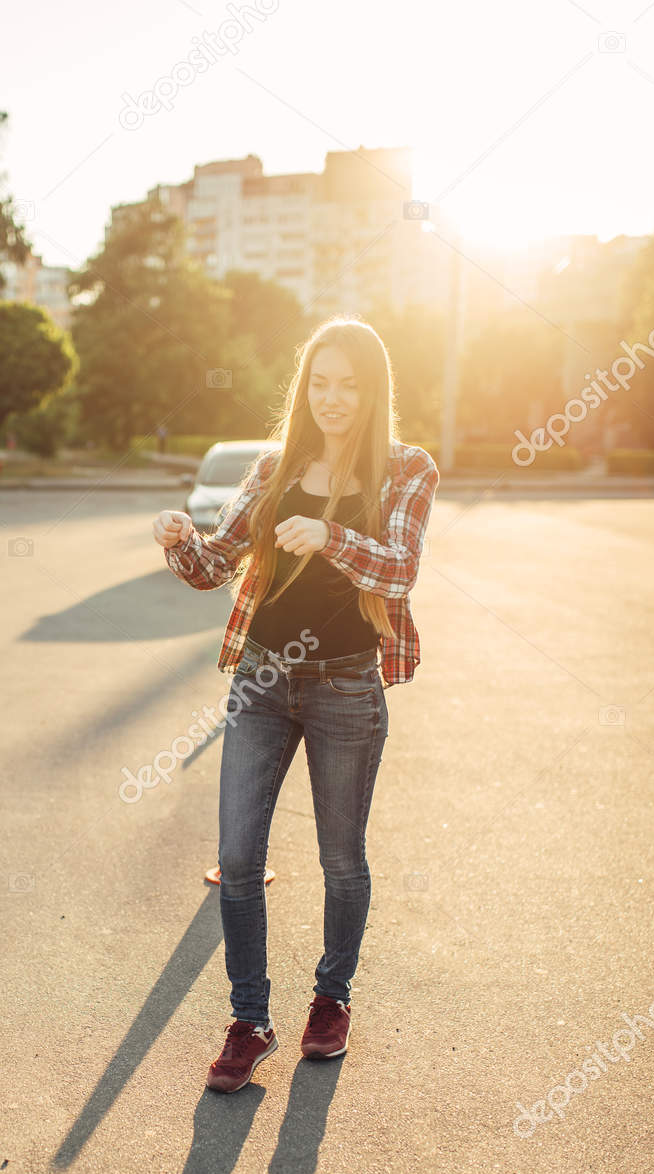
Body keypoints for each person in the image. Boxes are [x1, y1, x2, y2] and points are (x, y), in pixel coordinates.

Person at [152, 317, 439, 1092]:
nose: (333, 398)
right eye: (320, 382)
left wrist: (332, 533)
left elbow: (401, 569)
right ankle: (249, 1020)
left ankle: (331, 1000)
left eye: (348, 384)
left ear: (372, 390)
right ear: (304, 387)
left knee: (341, 861)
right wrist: (180, 539)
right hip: (263, 682)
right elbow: (216, 564)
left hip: (347, 685)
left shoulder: (408, 469)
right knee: (240, 858)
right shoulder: (276, 466)